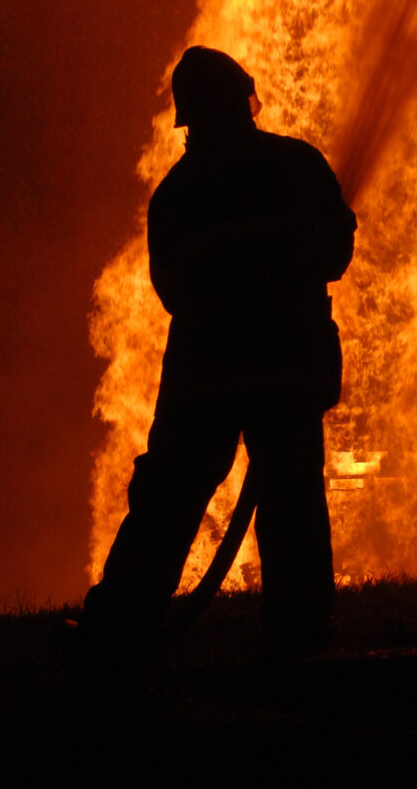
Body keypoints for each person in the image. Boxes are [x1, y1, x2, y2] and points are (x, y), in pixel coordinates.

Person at [78, 45, 356, 657]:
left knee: (169, 496)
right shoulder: (298, 165)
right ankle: (300, 633)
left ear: (191, 119)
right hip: (286, 371)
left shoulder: (177, 195)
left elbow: (172, 289)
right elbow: (336, 253)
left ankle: (122, 625)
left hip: (205, 378)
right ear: (244, 102)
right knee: (292, 502)